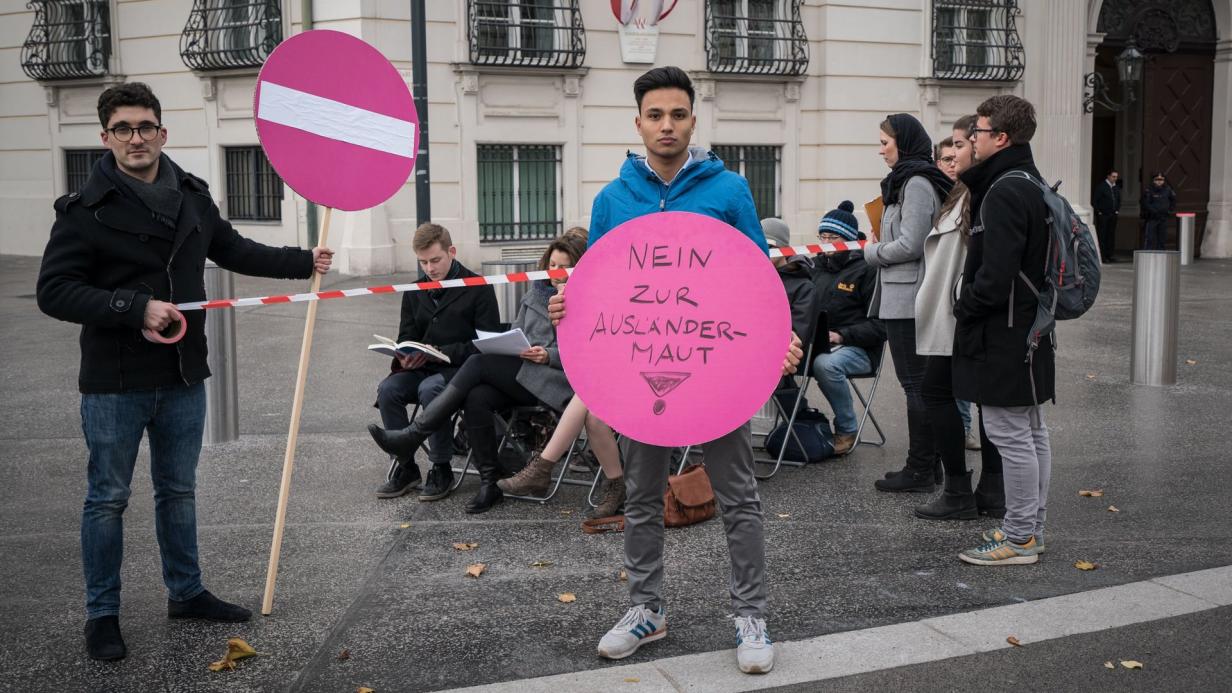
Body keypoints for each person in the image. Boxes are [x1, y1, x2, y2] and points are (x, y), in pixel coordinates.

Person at [35, 82, 334, 661]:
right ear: (105, 139)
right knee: (108, 498)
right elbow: (55, 291)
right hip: (115, 378)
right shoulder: (84, 211)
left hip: (181, 372)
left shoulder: (192, 197)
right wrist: (131, 306)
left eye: (146, 126)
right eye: (123, 128)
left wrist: (304, 261)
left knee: (178, 491)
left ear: (162, 132)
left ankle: (187, 592)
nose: (136, 137)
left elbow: (235, 250)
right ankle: (102, 614)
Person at [548, 66, 802, 675]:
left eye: (678, 115)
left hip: (717, 368)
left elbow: (756, 280)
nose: (667, 125)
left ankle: (751, 615)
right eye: (655, 115)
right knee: (640, 496)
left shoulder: (729, 191)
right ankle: (646, 609)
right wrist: (570, 303)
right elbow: (600, 283)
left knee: (738, 496)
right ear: (638, 123)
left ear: (693, 120)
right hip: (642, 372)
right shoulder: (614, 198)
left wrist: (778, 338)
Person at [369, 236, 585, 514]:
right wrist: (514, 345)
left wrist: (547, 355)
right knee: (476, 395)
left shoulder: (584, 301)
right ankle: (490, 482)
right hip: (523, 371)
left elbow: (583, 354)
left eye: (563, 267)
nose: (555, 272)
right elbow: (516, 331)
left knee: (478, 364)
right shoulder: (534, 295)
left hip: (553, 380)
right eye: (552, 264)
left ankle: (414, 433)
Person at [954, 94, 1055, 565]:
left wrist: (964, 304)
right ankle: (1030, 529)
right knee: (1031, 430)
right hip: (1028, 329)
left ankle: (1019, 540)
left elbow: (995, 278)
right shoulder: (1027, 182)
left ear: (1001, 137)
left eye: (978, 131)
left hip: (1005, 331)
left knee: (1011, 433)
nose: (971, 139)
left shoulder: (1005, 190)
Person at [912, 114, 1005, 521]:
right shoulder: (964, 191)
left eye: (960, 145)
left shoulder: (984, 192)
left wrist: (964, 304)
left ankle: (962, 490)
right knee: (975, 400)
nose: (951, 154)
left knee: (941, 392)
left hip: (960, 317)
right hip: (952, 314)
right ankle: (984, 489)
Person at [373, 223, 498, 501]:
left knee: (430, 390)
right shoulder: (416, 289)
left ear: (451, 252)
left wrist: (443, 350)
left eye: (435, 260)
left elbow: (488, 343)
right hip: (422, 367)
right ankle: (406, 467)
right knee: (388, 390)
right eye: (423, 262)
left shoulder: (478, 286)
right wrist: (404, 355)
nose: (429, 268)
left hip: (461, 370)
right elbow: (406, 333)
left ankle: (441, 467)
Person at [865, 114, 954, 493]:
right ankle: (927, 467)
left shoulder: (916, 182)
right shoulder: (907, 180)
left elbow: (911, 244)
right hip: (902, 295)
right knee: (919, 385)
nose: (881, 147)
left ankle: (920, 469)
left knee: (915, 385)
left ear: (904, 142)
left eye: (886, 141)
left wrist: (870, 251)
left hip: (908, 298)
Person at [806, 202, 885, 455]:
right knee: (775, 361)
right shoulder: (813, 267)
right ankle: (799, 422)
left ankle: (847, 429)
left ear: (848, 240)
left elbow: (882, 326)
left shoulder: (867, 270)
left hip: (858, 349)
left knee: (825, 365)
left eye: (833, 238)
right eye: (823, 237)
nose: (827, 243)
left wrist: (842, 335)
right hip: (815, 343)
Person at [1141, 172, 1176, 251]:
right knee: (1149, 238)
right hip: (1152, 218)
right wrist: (1154, 211)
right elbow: (1145, 203)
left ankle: (1161, 256)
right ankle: (1148, 255)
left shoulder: (1168, 189)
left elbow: (1173, 201)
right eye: (1157, 179)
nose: (1159, 181)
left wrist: (1169, 210)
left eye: (1161, 179)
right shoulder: (1149, 190)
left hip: (1163, 217)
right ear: (1154, 180)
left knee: (1162, 238)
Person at [1092, 169, 1121, 262]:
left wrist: (1116, 210)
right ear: (1108, 176)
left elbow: (1118, 200)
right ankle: (1103, 256)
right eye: (1113, 176)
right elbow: (1095, 201)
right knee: (1103, 235)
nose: (1115, 178)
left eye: (1116, 177)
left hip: (1113, 215)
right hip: (1103, 215)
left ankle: (1110, 255)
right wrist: (1099, 212)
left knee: (1111, 235)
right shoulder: (1102, 187)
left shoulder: (1116, 187)